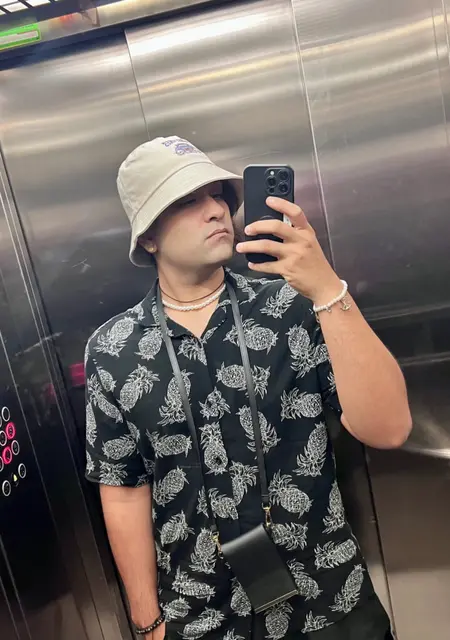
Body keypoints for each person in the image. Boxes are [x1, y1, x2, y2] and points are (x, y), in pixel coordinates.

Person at [84, 136, 411, 640]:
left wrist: (327, 289)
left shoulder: (292, 306)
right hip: (203, 616)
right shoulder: (113, 349)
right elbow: (124, 487)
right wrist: (147, 617)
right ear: (147, 238)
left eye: (218, 195)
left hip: (327, 600)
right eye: (188, 201)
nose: (216, 209)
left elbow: (388, 428)